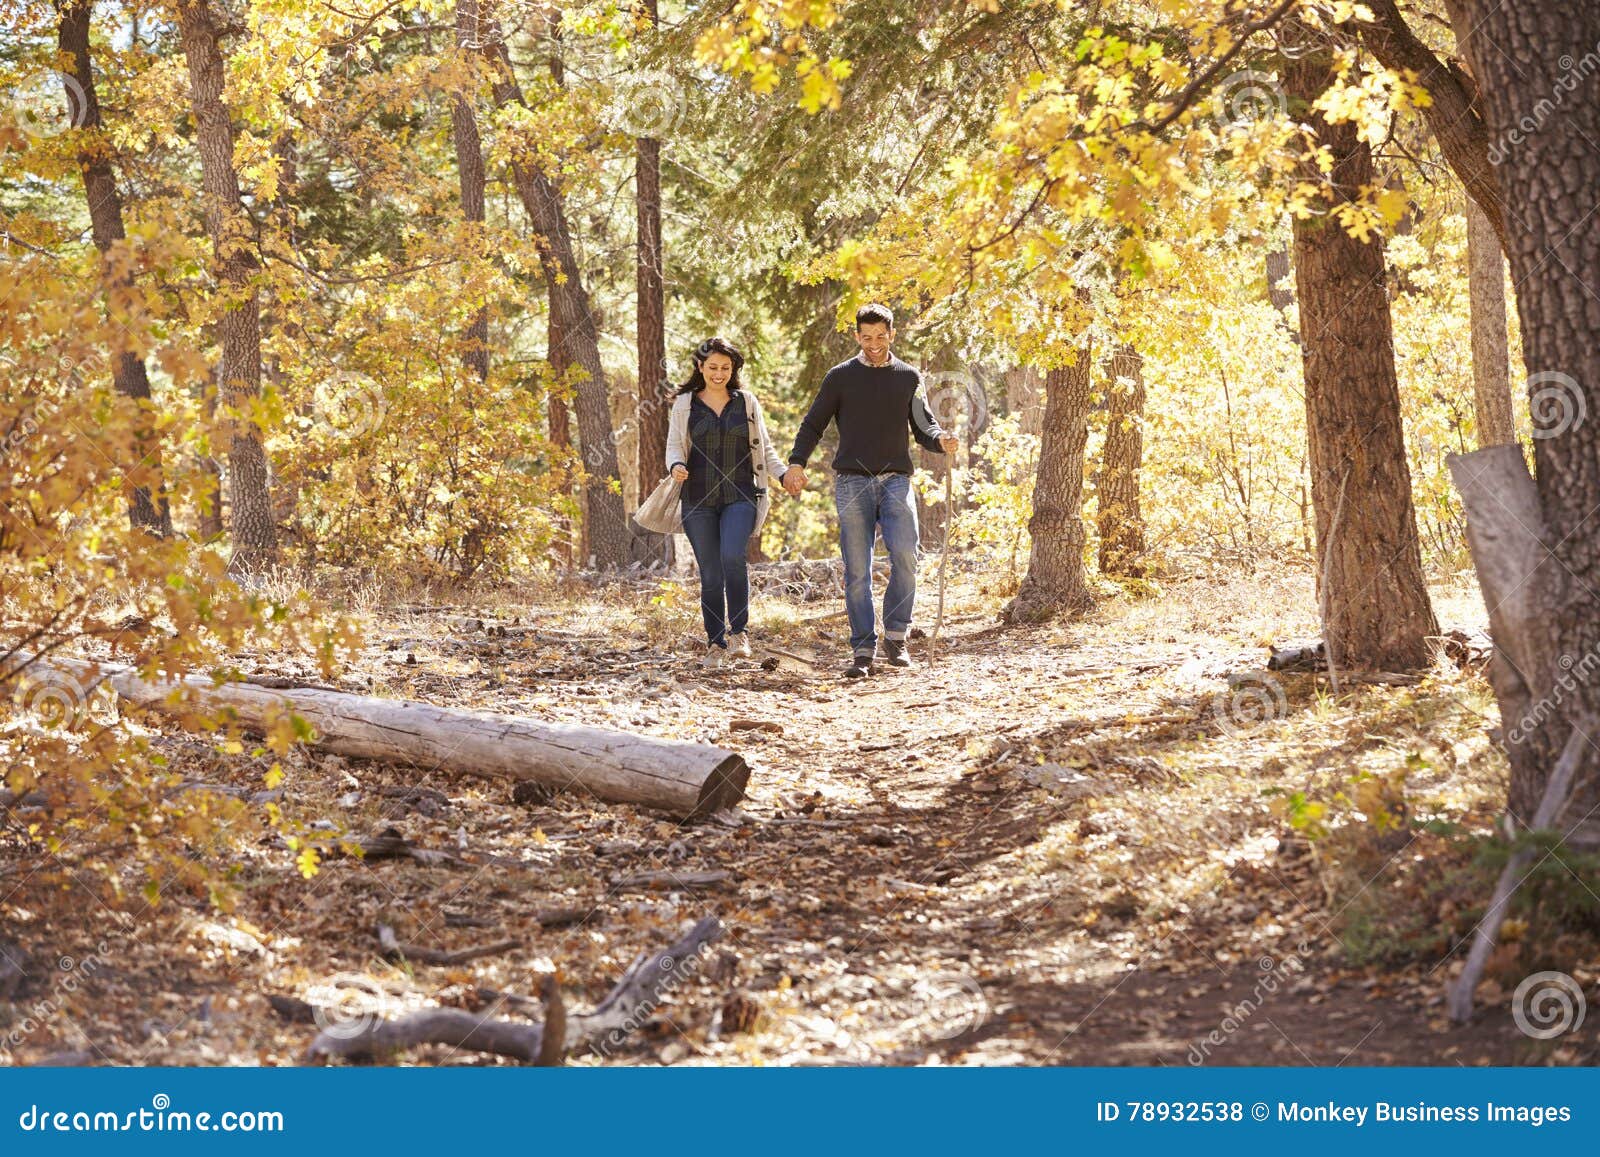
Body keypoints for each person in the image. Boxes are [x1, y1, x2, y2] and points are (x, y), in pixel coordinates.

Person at [785, 304, 959, 678]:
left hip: (896, 479)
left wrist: (940, 439)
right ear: (857, 336)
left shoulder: (908, 376)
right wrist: (796, 461)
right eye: (867, 338)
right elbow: (814, 423)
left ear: (892, 334)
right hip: (852, 482)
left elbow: (923, 424)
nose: (874, 344)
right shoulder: (840, 377)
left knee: (906, 556)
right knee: (858, 570)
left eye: (881, 336)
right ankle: (862, 650)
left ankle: (895, 637)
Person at [666, 337, 793, 669]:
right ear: (700, 367)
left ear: (733, 369)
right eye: (712, 367)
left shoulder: (746, 403)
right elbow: (674, 446)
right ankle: (715, 643)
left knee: (732, 557)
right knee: (710, 573)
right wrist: (676, 466)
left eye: (725, 367)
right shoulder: (684, 404)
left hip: (740, 495)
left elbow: (764, 450)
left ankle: (739, 633)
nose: (719, 373)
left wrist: (783, 475)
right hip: (697, 499)